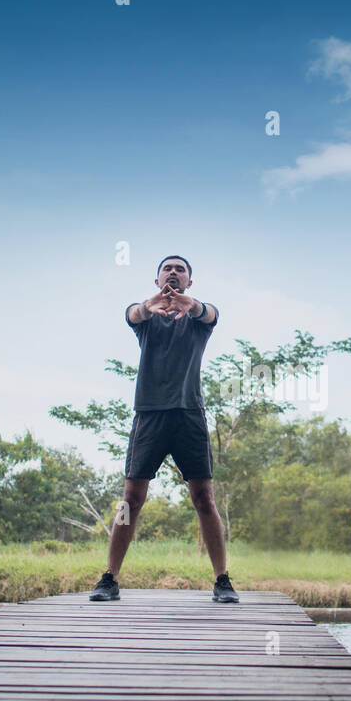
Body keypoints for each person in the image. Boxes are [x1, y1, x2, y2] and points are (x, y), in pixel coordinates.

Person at [88, 255, 238, 603]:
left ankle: (223, 580)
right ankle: (109, 578)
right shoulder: (146, 318)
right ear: (157, 281)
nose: (173, 272)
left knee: (204, 498)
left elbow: (210, 313)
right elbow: (131, 314)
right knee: (131, 499)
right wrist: (147, 306)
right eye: (167, 269)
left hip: (189, 415)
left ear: (189, 282)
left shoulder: (200, 319)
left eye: (180, 269)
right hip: (150, 415)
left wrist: (193, 305)